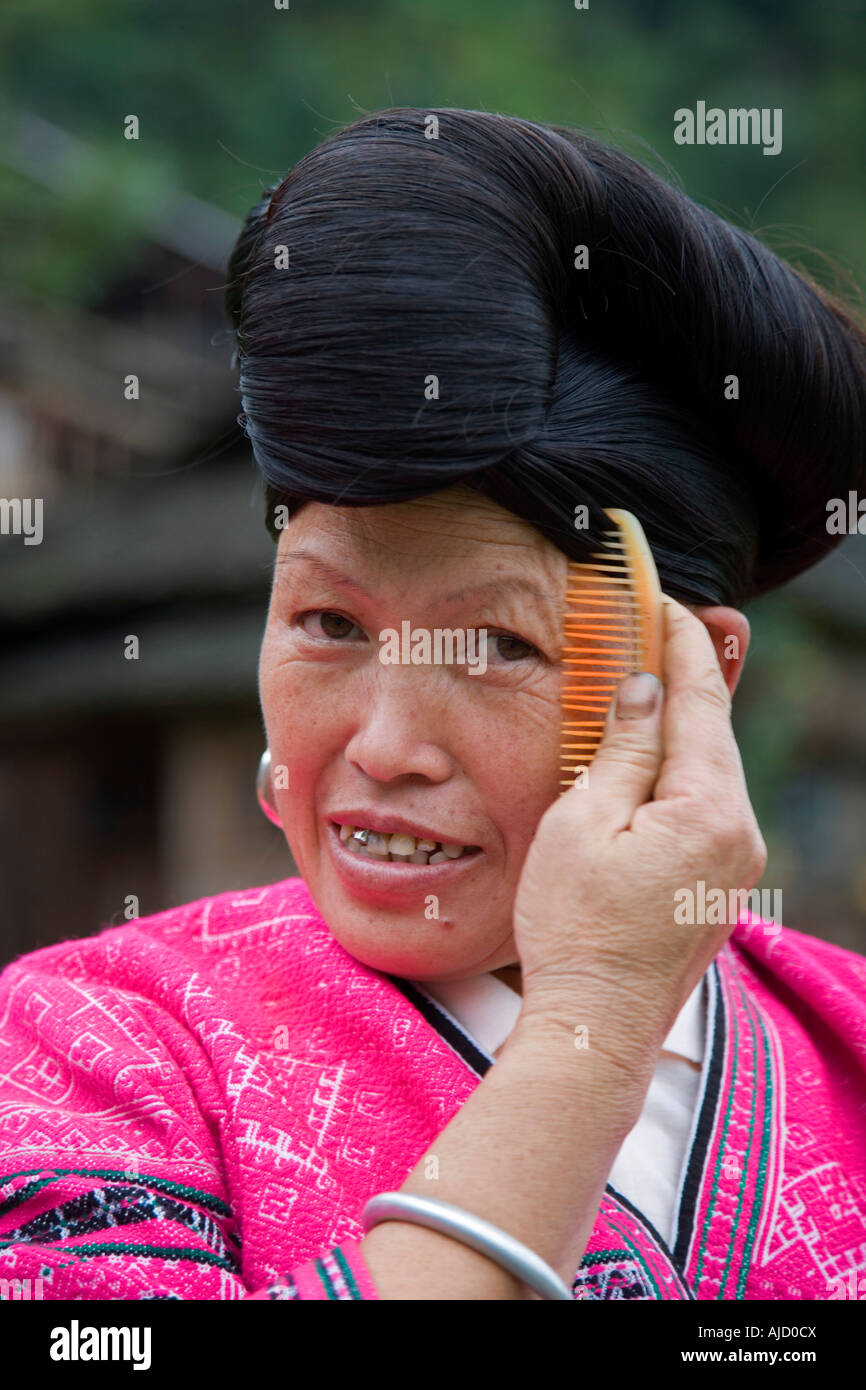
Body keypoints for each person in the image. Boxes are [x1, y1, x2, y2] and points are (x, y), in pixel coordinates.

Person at [1, 107, 865, 1302]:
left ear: (697, 676)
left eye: (496, 643)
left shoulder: (847, 1039)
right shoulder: (100, 1044)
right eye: (328, 623)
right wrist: (591, 1036)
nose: (385, 745)